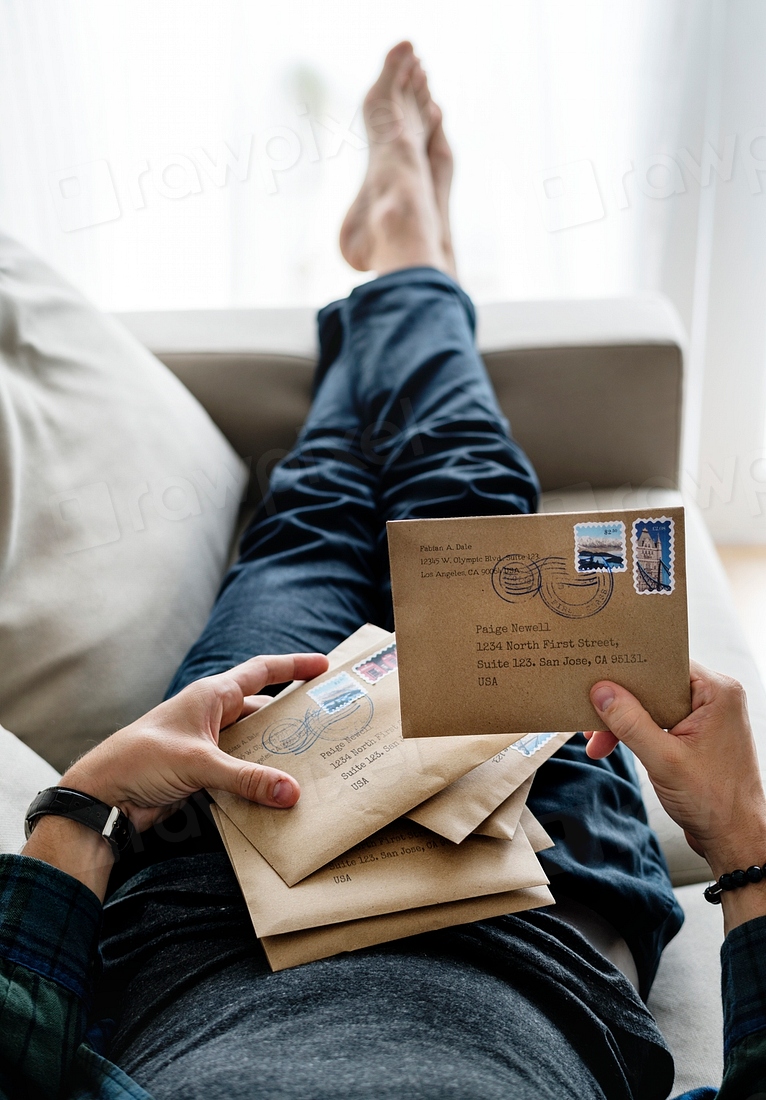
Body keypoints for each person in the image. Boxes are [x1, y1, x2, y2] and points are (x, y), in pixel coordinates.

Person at [1, 41, 765, 1100]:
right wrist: (744, 844)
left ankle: (402, 249)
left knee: (311, 518)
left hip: (219, 875)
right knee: (464, 491)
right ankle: (408, 246)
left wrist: (81, 802)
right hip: (537, 890)